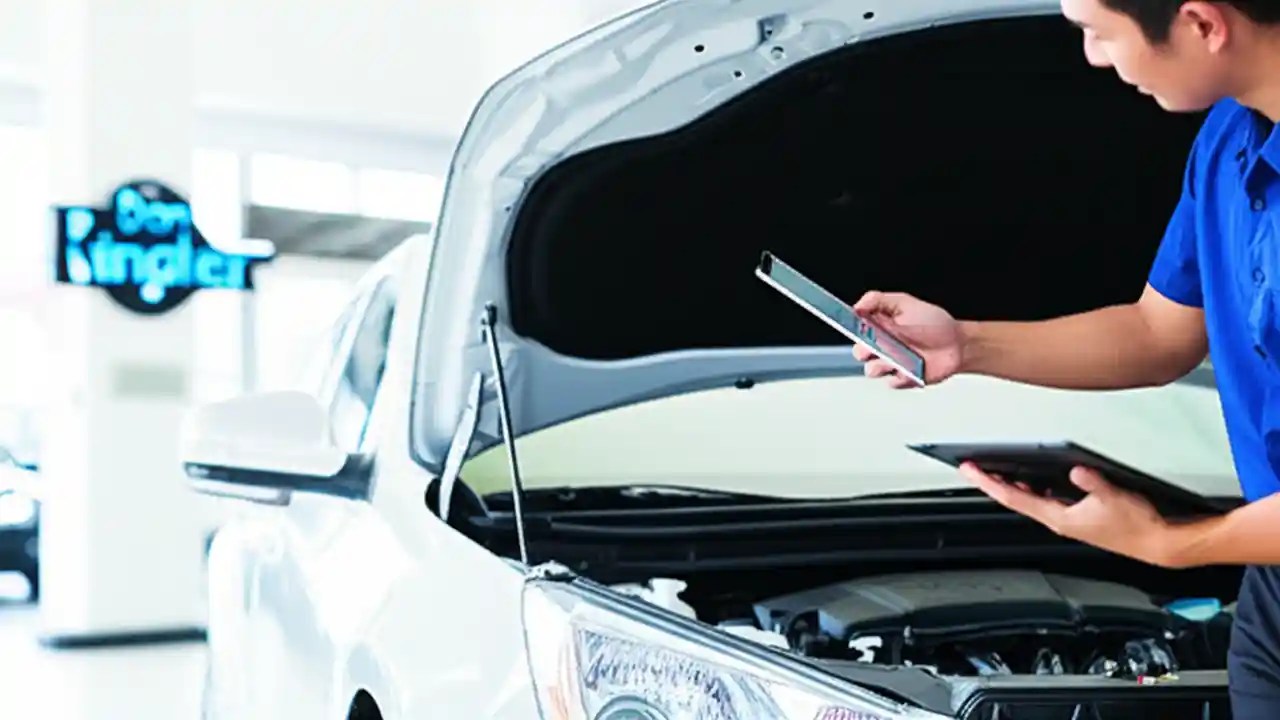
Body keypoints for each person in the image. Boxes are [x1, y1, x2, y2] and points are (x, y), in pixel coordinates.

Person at [851, 0, 1280, 712]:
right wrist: (967, 343)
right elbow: (1156, 332)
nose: (1091, 57)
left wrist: (1170, 543)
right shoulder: (1230, 138)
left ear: (1204, 24)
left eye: (1098, 32)